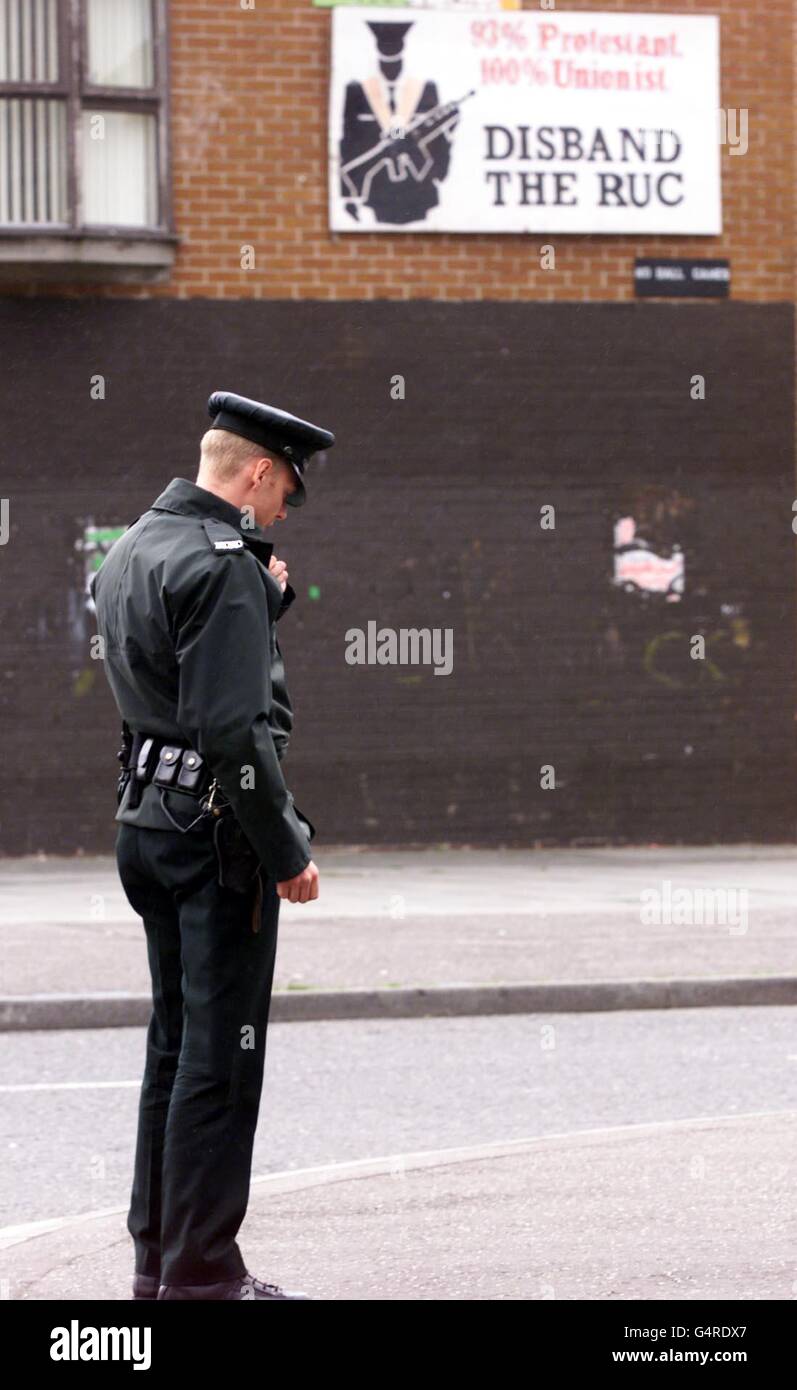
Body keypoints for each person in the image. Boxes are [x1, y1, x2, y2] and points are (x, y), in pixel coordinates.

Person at [90, 390, 335, 1301]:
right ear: (257, 473)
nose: (280, 513)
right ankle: (203, 1277)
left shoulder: (133, 550)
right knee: (219, 1058)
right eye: (282, 495)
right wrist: (284, 849)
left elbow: (171, 672)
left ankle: (159, 1260)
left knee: (173, 1047)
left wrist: (257, 604)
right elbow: (232, 730)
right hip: (218, 839)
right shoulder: (224, 560)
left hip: (146, 828)